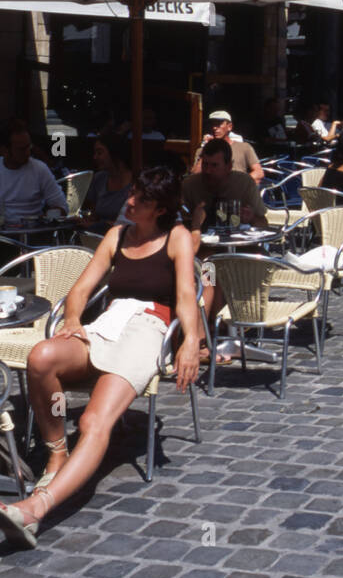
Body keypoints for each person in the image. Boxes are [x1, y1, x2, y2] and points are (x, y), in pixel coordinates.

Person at [0, 168, 200, 548]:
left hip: (148, 330)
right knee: (42, 357)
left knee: (93, 419)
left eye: (139, 199)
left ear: (158, 208)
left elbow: (186, 296)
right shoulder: (116, 235)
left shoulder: (176, 237)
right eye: (132, 194)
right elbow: (82, 289)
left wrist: (190, 340)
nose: (129, 201)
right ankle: (57, 452)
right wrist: (73, 320)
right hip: (108, 323)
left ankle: (34, 509)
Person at [182, 138, 268, 235]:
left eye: (214, 165)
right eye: (205, 165)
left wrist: (252, 218)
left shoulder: (245, 184)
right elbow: (178, 224)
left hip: (236, 243)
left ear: (229, 166)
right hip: (201, 243)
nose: (208, 171)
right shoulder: (190, 185)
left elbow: (263, 225)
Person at [0, 121, 68, 224]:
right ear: (5, 151)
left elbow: (63, 208)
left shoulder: (39, 169)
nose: (28, 153)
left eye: (29, 147)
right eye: (22, 149)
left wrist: (44, 218)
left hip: (32, 233)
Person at [191, 111, 264, 183]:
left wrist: (240, 184)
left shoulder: (244, 148)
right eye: (212, 124)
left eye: (219, 124)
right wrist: (206, 149)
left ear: (229, 126)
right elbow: (195, 176)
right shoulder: (202, 151)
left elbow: (258, 172)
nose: (214, 128)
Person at [81, 131, 134, 226]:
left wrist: (101, 225)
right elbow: (94, 214)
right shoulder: (99, 178)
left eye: (99, 152)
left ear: (115, 153)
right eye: (95, 153)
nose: (95, 157)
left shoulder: (135, 181)